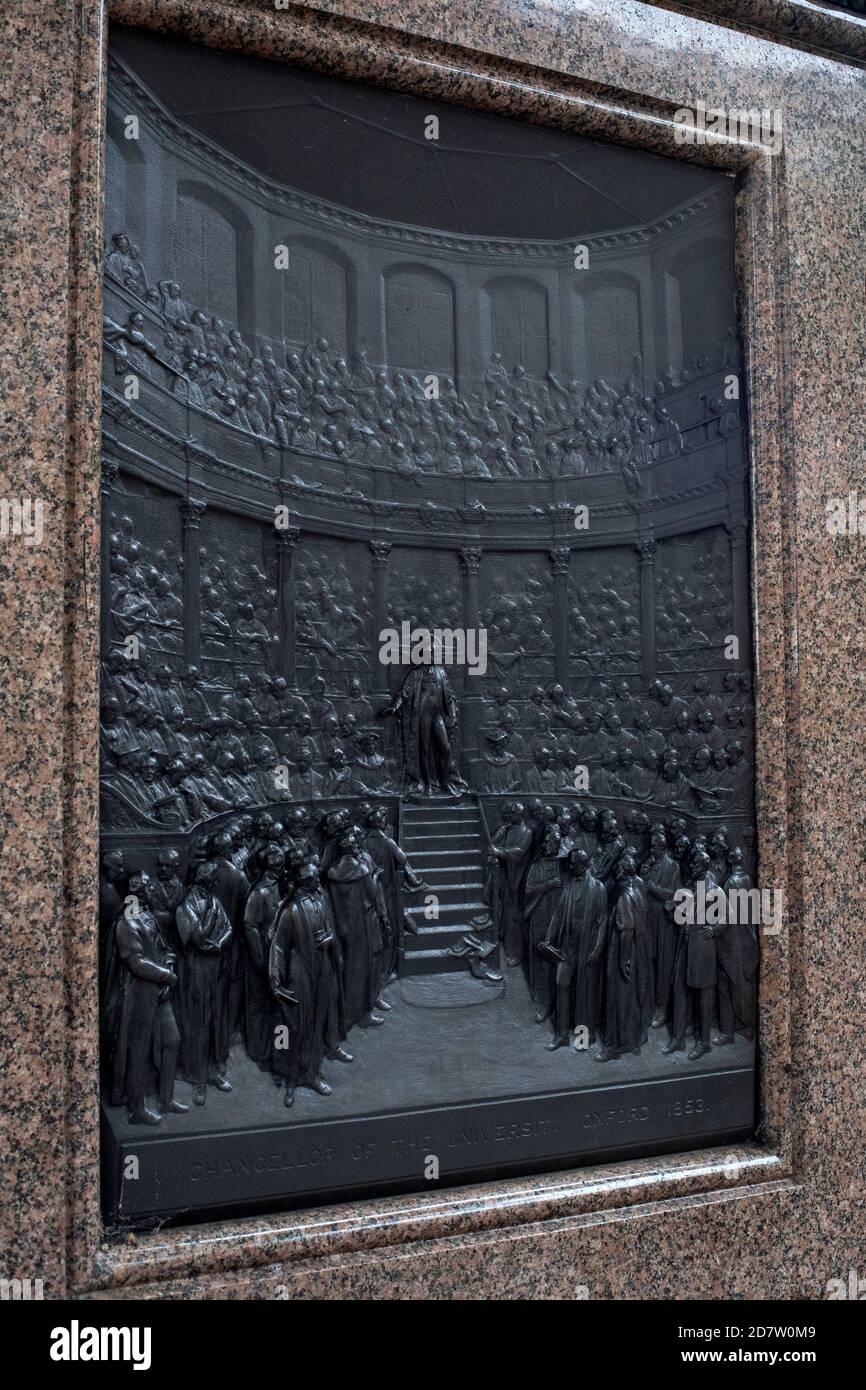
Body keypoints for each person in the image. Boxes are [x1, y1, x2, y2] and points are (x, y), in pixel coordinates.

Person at [106, 872, 188, 1124]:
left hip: (159, 993)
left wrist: (170, 967)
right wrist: (166, 976)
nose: (153, 888)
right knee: (138, 1051)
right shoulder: (126, 923)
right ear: (137, 891)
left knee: (172, 1040)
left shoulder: (147, 915)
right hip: (138, 996)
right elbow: (137, 963)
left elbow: (165, 948)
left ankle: (166, 1098)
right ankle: (136, 1108)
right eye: (147, 885)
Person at [269, 856, 349, 1107]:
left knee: (316, 1022)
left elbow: (329, 930)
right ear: (304, 882)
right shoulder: (291, 910)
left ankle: (311, 1071)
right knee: (297, 1027)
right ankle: (292, 1079)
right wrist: (276, 980)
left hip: (322, 968)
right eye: (314, 877)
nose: (318, 879)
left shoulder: (318, 900)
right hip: (300, 972)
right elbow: (279, 946)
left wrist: (330, 942)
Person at [175, 860, 234, 1105]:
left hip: (215, 968)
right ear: (204, 878)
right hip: (197, 968)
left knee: (215, 1018)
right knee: (198, 1020)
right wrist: (213, 939)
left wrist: (221, 942)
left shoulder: (213, 900)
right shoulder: (188, 904)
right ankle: (197, 1076)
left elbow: (229, 927)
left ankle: (213, 1069)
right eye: (213, 877)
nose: (217, 882)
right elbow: (198, 938)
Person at [544, 848, 608, 1050]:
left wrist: (597, 948)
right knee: (562, 985)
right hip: (566, 946)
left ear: (584, 863)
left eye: (573, 863)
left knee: (585, 993)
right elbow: (557, 915)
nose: (569, 866)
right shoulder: (569, 886)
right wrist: (548, 939)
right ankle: (562, 1034)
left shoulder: (598, 888)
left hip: (586, 948)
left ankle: (584, 1037)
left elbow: (602, 921)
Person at [379, 661, 466, 795]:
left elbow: (450, 696)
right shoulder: (415, 674)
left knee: (446, 748)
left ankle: (445, 782)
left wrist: (453, 715)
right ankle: (427, 784)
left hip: (438, 715)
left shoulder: (441, 672)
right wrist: (395, 707)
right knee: (424, 749)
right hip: (423, 716)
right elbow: (404, 693)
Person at [596, 854, 651, 1062]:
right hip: (635, 952)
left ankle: (614, 1047)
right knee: (630, 998)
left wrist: (623, 959)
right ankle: (631, 1041)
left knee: (617, 999)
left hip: (624, 951)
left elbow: (627, 928)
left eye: (619, 867)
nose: (616, 869)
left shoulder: (624, 896)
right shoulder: (636, 891)